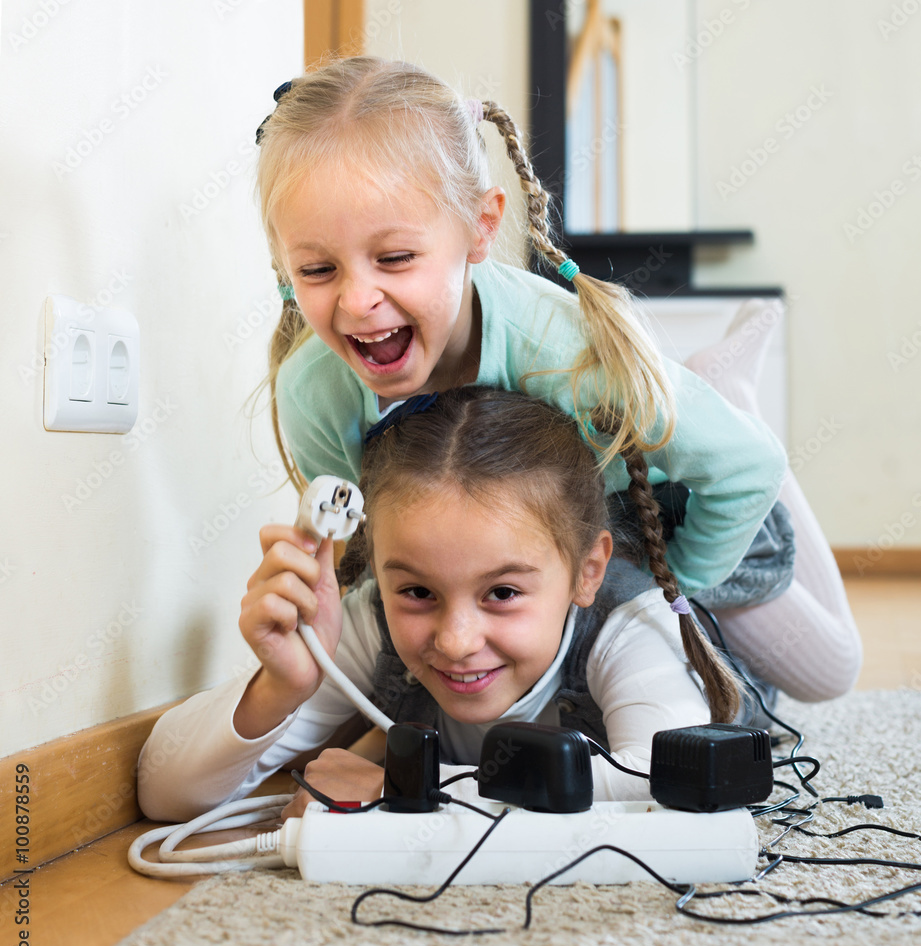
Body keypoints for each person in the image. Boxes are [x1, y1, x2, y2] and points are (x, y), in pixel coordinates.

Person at [251, 57, 862, 704]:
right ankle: (703, 396)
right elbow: (368, 551)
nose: (356, 301)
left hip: (660, 504)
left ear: (481, 228)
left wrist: (666, 593)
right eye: (318, 270)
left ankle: (721, 395)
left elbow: (747, 467)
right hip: (531, 545)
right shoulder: (311, 394)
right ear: (284, 268)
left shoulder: (573, 359)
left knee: (828, 674)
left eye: (395, 258)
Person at [138, 387, 739, 822]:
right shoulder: (369, 617)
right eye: (419, 592)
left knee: (829, 663)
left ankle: (729, 392)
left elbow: (669, 781)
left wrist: (411, 783)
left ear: (586, 572)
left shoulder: (629, 621)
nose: (455, 641)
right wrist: (282, 684)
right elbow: (164, 793)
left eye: (502, 593)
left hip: (731, 596)